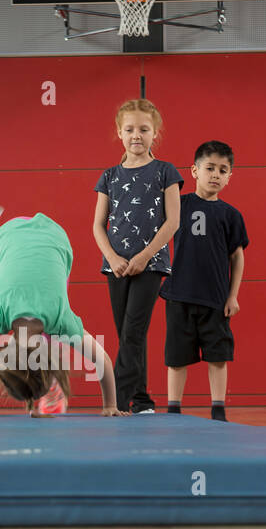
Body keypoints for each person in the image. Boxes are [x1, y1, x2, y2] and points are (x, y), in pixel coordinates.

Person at [0, 197, 123, 418]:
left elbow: (103, 360)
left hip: (56, 239)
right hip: (11, 235)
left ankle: (48, 391)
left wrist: (110, 405)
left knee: (52, 313)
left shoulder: (61, 319)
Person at [93, 99, 182, 413]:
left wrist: (144, 256)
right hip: (116, 267)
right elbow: (97, 226)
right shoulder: (109, 176)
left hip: (150, 264)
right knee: (129, 335)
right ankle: (142, 400)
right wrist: (113, 258)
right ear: (119, 132)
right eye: (129, 129)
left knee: (132, 331)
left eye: (144, 130)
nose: (136, 135)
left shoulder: (165, 172)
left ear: (154, 133)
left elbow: (173, 221)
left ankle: (115, 401)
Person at [161, 141, 248, 421]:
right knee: (176, 358)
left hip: (215, 298)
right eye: (209, 168)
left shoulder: (231, 215)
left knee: (218, 356)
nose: (215, 175)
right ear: (194, 171)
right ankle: (174, 408)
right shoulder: (179, 205)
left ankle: (218, 409)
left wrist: (232, 295)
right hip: (179, 295)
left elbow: (237, 257)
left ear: (229, 176)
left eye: (223, 170)